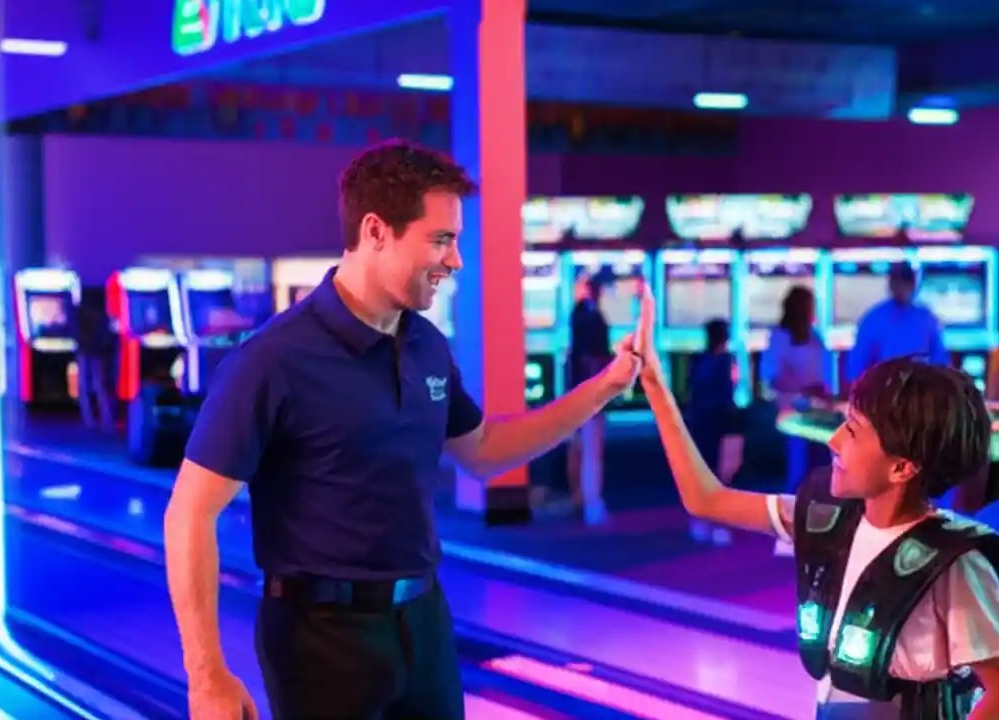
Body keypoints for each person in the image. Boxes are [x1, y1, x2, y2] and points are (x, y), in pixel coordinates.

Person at [164, 140, 648, 720]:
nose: (456, 260)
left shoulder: (426, 346)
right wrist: (206, 674)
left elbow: (486, 451)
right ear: (376, 231)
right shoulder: (271, 361)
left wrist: (608, 386)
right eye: (441, 239)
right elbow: (190, 513)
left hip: (423, 623)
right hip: (320, 641)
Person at [636, 285, 999, 720]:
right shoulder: (828, 517)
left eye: (854, 431)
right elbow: (706, 498)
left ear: (902, 467)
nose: (835, 441)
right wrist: (655, 383)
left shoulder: (955, 563)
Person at [759, 285, 831, 556]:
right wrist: (800, 387)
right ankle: (788, 536)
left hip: (816, 415)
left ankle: (815, 533)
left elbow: (823, 378)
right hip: (792, 416)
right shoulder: (780, 338)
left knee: (819, 475)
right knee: (797, 474)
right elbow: (772, 377)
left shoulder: (815, 339)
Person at [684, 318, 743, 545]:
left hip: (702, 421)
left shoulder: (698, 361)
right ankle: (715, 522)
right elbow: (728, 392)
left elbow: (692, 392)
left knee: (705, 471)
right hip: (718, 420)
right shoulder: (725, 361)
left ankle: (702, 521)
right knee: (720, 474)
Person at [846, 263, 948, 386]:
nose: (900, 287)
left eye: (905, 283)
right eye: (896, 282)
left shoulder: (926, 319)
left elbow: (941, 362)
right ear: (890, 285)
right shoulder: (874, 319)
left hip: (920, 390)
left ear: (913, 285)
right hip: (882, 391)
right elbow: (858, 363)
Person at [565, 271, 613, 525]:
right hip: (589, 393)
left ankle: (580, 499)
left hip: (578, 391)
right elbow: (592, 356)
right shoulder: (589, 316)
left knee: (579, 448)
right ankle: (591, 503)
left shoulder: (579, 314)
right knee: (591, 450)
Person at [74, 289, 118, 433]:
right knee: (98, 387)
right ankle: (103, 421)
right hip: (95, 352)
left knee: (90, 387)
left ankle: (93, 421)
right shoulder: (101, 317)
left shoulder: (82, 315)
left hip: (90, 352)